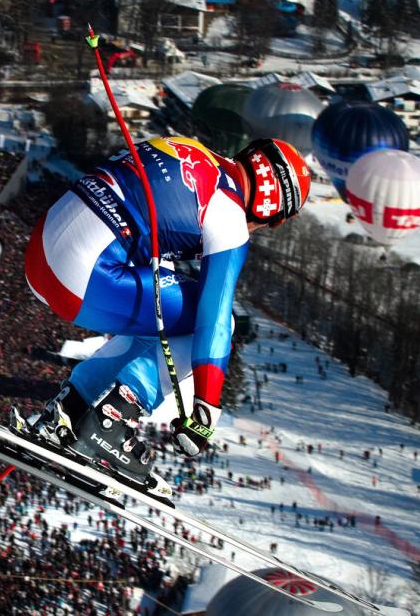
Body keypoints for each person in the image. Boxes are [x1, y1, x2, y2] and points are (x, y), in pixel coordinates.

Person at [21, 136, 310, 495]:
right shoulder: (229, 215)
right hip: (80, 277)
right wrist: (206, 410)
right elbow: (215, 319)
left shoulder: (194, 149)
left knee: (159, 321)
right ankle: (114, 420)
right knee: (212, 319)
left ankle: (71, 408)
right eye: (271, 225)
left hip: (37, 255)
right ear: (273, 213)